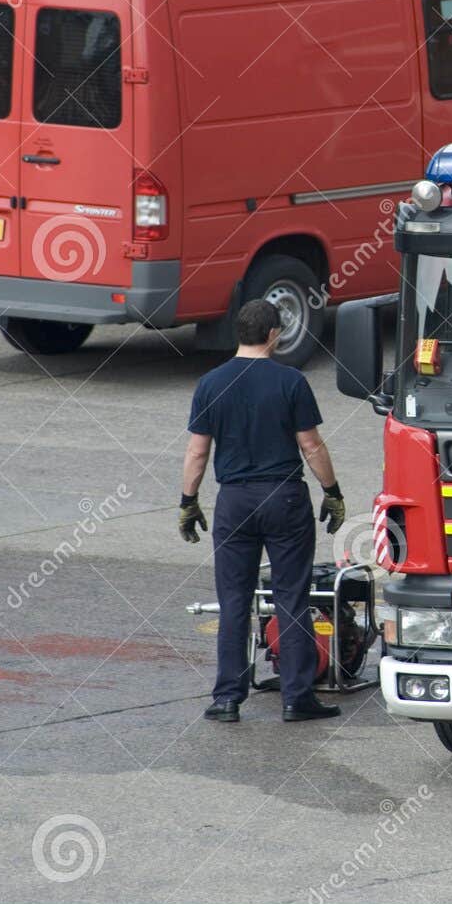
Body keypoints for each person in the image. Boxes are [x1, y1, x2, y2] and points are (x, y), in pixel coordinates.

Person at [178, 300, 347, 724]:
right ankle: (296, 697)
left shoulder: (211, 383)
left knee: (234, 599)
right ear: (274, 333)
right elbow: (310, 445)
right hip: (283, 497)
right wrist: (332, 492)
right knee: (291, 597)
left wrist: (188, 501)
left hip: (234, 501)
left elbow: (198, 453)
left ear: (239, 333)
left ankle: (228, 698)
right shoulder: (290, 381)